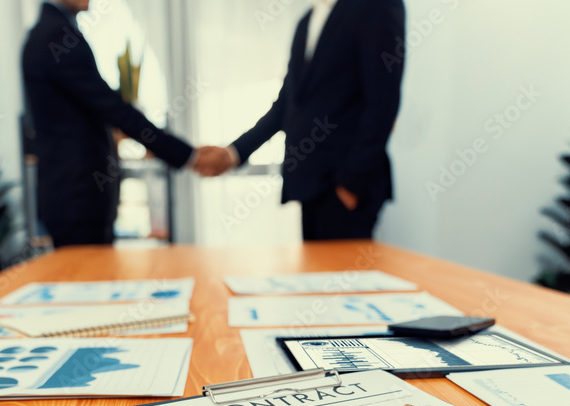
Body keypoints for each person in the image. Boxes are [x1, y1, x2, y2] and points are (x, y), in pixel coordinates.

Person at [197, 0, 406, 241]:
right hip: (308, 185)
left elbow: (383, 103)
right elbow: (287, 104)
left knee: (346, 264)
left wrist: (350, 184)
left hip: (346, 187)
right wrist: (234, 152)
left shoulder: (377, 6)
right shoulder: (306, 21)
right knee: (314, 266)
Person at [22, 0, 208, 247]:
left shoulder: (52, 32)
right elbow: (112, 108)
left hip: (75, 199)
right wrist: (187, 155)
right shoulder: (55, 37)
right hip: (77, 200)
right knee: (87, 272)